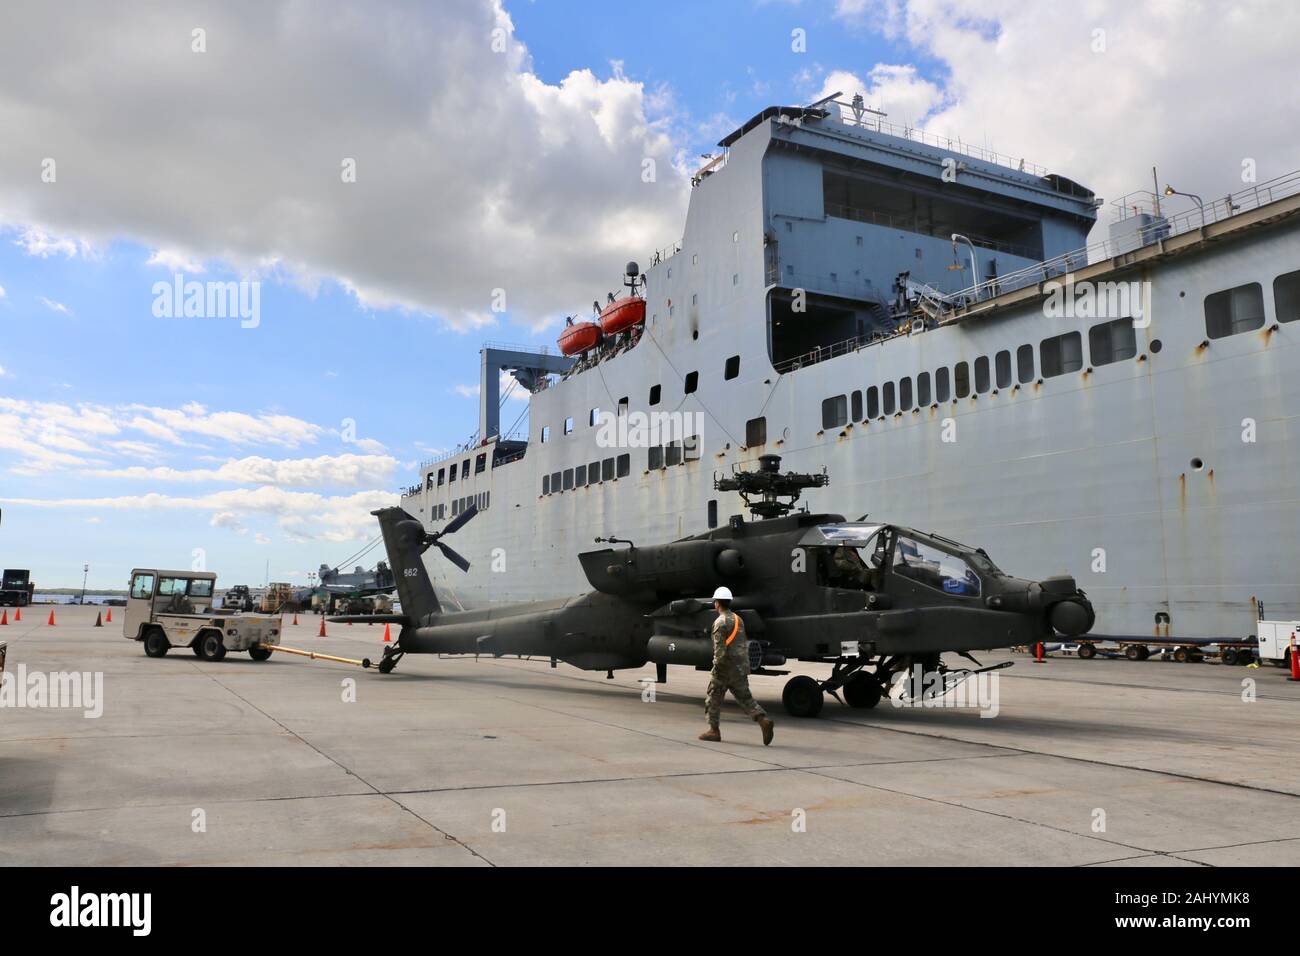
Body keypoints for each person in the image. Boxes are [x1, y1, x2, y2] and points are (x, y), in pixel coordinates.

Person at [699, 586, 774, 745]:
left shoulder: (720, 622)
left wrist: (716, 670)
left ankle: (714, 731)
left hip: (724, 668)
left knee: (713, 699)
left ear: (717, 603)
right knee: (745, 698)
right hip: (740, 667)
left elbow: (719, 651)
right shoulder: (739, 619)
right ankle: (763, 720)